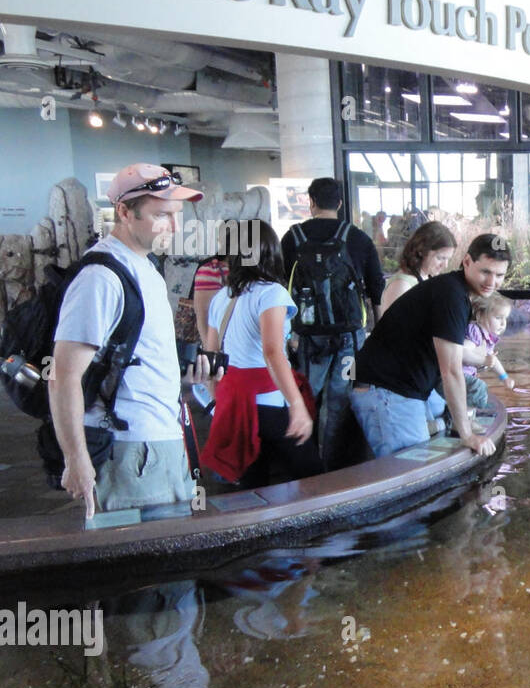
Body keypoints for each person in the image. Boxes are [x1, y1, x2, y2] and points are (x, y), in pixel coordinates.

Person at [51, 163, 205, 520]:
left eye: (177, 215)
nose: (174, 227)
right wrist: (76, 459)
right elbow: (62, 374)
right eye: (162, 215)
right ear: (123, 211)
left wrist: (183, 378)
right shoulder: (101, 277)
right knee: (151, 553)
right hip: (131, 451)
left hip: (161, 441)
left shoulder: (145, 266)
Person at [350, 233, 508, 458]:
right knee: (412, 467)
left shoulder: (453, 290)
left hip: (400, 388)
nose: (492, 282)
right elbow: (450, 370)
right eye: (486, 272)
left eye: (499, 275)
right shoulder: (451, 296)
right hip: (387, 391)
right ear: (467, 262)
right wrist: (467, 435)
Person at [199, 224, 322, 489]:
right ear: (271, 252)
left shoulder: (222, 297)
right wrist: (297, 404)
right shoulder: (272, 293)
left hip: (235, 403)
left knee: (254, 486)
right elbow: (273, 352)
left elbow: (211, 356)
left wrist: (218, 401)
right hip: (271, 402)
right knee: (313, 477)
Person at [281, 177, 385, 470]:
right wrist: (377, 332)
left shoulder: (292, 238)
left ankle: (303, 463)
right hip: (349, 336)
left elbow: (279, 285)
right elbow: (375, 287)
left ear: (311, 202)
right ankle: (333, 466)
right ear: (340, 203)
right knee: (340, 400)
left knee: (306, 395)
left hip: (306, 335)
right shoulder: (357, 238)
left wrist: (287, 333)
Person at [379, 221, 457, 319]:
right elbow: (393, 327)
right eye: (440, 258)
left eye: (448, 259)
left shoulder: (428, 277)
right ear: (421, 251)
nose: (445, 265)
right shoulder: (401, 285)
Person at [462, 292, 515, 417]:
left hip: (467, 375)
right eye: (498, 318)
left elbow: (493, 360)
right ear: (480, 315)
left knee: (476, 395)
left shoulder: (487, 337)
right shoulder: (476, 332)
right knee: (479, 390)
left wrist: (504, 377)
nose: (503, 323)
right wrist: (483, 360)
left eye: (505, 318)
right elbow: (462, 352)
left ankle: (467, 417)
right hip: (456, 374)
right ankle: (460, 418)